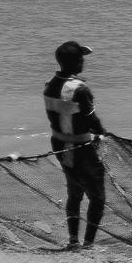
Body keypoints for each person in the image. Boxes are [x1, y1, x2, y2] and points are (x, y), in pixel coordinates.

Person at [42, 39, 107, 249]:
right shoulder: (80, 89)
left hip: (60, 145)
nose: (83, 62)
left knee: (74, 192)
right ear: (75, 62)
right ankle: (88, 244)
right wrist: (102, 133)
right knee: (97, 197)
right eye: (80, 58)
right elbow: (92, 121)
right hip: (81, 149)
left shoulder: (49, 85)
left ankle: (73, 240)